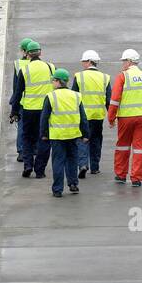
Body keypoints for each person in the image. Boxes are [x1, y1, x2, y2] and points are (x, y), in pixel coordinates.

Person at [107, 48, 142, 186]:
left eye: (124, 61)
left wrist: (111, 118)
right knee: (140, 148)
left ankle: (121, 175)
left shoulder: (123, 76)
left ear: (129, 62)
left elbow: (115, 99)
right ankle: (136, 178)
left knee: (123, 146)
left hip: (125, 118)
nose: (123, 64)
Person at [8, 40, 54, 178]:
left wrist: (14, 111)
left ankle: (28, 165)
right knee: (44, 139)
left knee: (27, 138)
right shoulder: (51, 67)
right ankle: (40, 170)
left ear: (27, 54)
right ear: (40, 53)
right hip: (45, 110)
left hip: (28, 109)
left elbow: (18, 92)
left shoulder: (25, 70)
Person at [41, 68, 86, 198]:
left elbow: (44, 117)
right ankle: (73, 184)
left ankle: (57, 189)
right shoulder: (76, 96)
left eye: (53, 80)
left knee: (58, 162)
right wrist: (85, 133)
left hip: (57, 135)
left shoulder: (51, 96)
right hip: (73, 134)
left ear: (57, 81)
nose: (52, 83)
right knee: (72, 160)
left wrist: (44, 133)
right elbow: (83, 117)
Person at [70, 50, 110, 180]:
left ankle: (82, 164)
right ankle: (95, 167)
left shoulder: (79, 76)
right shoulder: (105, 77)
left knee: (82, 139)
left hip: (83, 115)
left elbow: (73, 96)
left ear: (89, 62)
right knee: (96, 140)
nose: (82, 64)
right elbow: (109, 99)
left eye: (83, 61)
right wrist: (112, 116)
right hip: (98, 115)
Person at [14, 37, 34, 163]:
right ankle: (35, 149)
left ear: (23, 50)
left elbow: (16, 87)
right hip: (38, 102)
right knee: (36, 127)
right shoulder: (43, 66)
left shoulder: (18, 64)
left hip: (22, 101)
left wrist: (14, 106)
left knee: (22, 127)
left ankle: (21, 151)